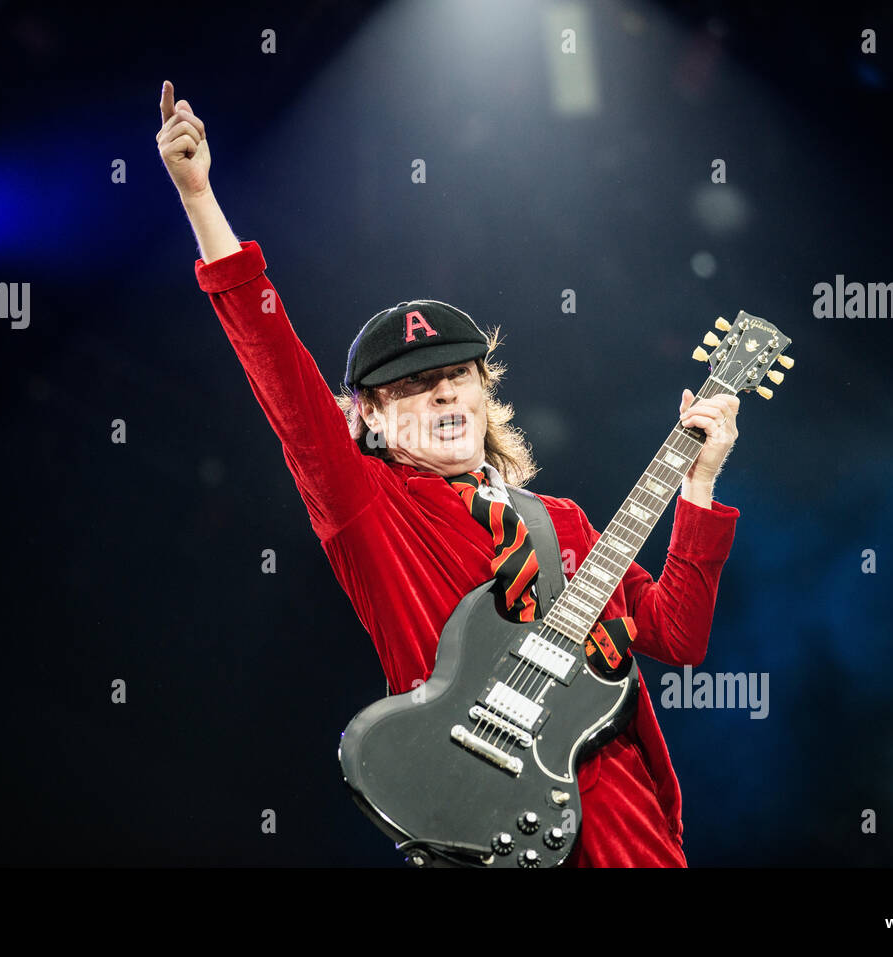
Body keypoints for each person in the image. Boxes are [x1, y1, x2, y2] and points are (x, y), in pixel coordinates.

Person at [157, 80, 743, 867]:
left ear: (483, 388)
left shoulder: (563, 523)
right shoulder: (370, 506)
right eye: (406, 386)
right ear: (366, 416)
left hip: (625, 824)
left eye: (457, 375)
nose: (440, 390)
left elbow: (678, 635)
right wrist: (201, 198)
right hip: (484, 822)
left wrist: (698, 488)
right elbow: (281, 376)